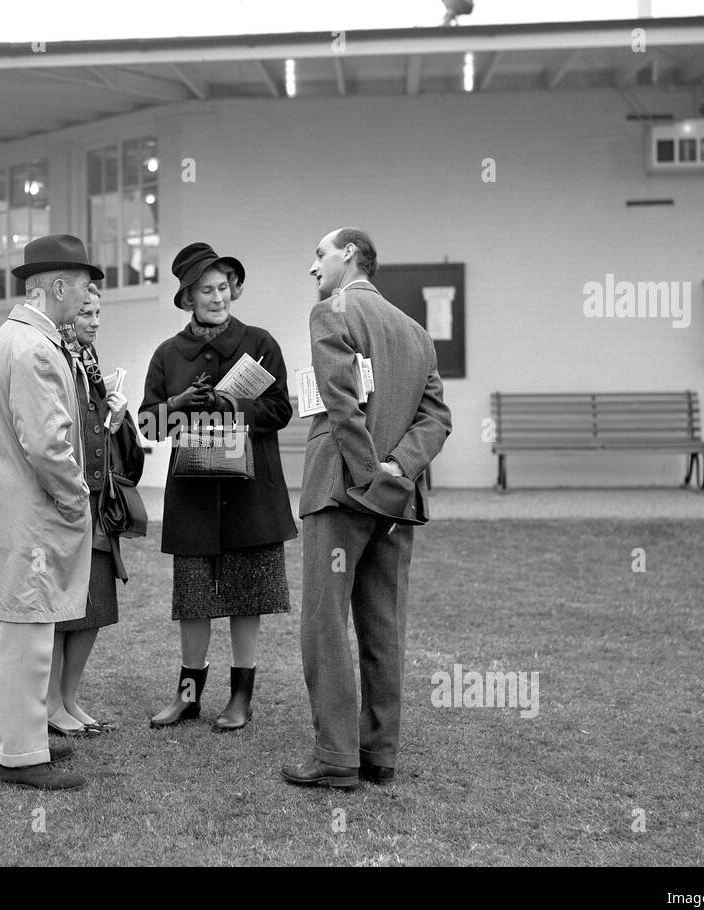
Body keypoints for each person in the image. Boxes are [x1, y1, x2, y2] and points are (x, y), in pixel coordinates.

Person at [281, 227, 452, 789]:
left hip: (341, 493)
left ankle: (335, 757)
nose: (313, 267)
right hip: (396, 502)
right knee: (383, 626)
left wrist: (364, 475)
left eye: (320, 254)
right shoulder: (417, 333)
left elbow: (340, 401)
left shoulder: (332, 313)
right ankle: (379, 755)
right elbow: (436, 419)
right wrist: (397, 470)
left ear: (349, 254)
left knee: (324, 625)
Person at [0, 234, 104, 791]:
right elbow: (46, 445)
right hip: (30, 514)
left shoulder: (11, 336)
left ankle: (7, 740)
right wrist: (76, 498)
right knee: (29, 629)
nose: (87, 297)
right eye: (84, 286)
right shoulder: (37, 348)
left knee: (7, 625)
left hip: (5, 507)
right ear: (58, 286)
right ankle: (22, 754)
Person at [141, 241, 296, 732]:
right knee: (193, 600)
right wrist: (181, 401)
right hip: (192, 495)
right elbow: (148, 425)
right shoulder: (167, 354)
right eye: (206, 290)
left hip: (250, 493)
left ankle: (240, 700)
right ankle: (188, 698)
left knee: (247, 596)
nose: (217, 297)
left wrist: (235, 408)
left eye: (223, 287)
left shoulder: (261, 343)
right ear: (187, 298)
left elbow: (280, 410)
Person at [47, 289, 145, 736]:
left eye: (98, 312)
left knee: (96, 605)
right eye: (86, 312)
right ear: (64, 313)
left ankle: (69, 699)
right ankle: (48, 705)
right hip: (64, 503)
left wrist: (119, 418)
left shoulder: (90, 362)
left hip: (98, 504)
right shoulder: (49, 359)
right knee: (60, 609)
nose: (94, 321)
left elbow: (111, 441)